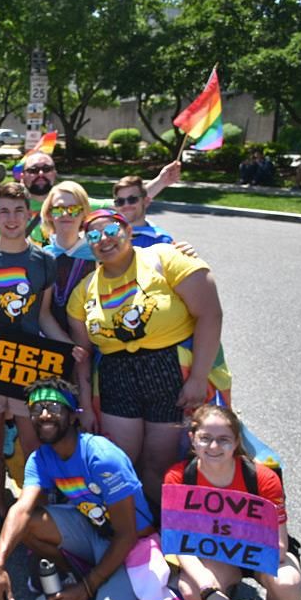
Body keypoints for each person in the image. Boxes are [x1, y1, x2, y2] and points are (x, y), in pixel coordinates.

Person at [0, 378, 155, 600]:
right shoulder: (41, 458)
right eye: (36, 409)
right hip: (95, 529)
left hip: (131, 548)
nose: (44, 414)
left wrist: (86, 589)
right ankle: (88, 580)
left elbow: (126, 536)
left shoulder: (101, 457)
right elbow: (21, 509)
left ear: (73, 414)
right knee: (27, 525)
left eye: (52, 406)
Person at [68, 210, 226, 502]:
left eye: (111, 230)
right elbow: (83, 355)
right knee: (120, 464)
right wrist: (86, 406)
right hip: (117, 377)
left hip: (168, 371)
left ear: (127, 230)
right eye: (92, 235)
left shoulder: (164, 258)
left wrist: (199, 377)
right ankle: (131, 534)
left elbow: (210, 313)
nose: (103, 239)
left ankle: (160, 529)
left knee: (159, 462)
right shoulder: (84, 290)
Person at [0, 184, 77, 545]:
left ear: (29, 216)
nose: (11, 219)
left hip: (28, 368)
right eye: (4, 211)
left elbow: (43, 317)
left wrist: (70, 348)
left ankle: (32, 511)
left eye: (18, 211)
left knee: (34, 443)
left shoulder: (43, 261)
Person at [163, 404, 301, 600]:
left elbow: (281, 546)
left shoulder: (263, 478)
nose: (214, 446)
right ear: (193, 439)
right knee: (192, 591)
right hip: (215, 554)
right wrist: (211, 591)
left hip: (261, 553)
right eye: (206, 438)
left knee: (289, 585)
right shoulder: (179, 477)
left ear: (237, 442)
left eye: (224, 439)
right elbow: (180, 543)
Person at [38, 183, 96, 334]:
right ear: (49, 214)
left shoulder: (98, 255)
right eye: (58, 209)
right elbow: (42, 314)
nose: (66, 214)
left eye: (74, 208)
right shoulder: (42, 257)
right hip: (51, 342)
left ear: (84, 213)